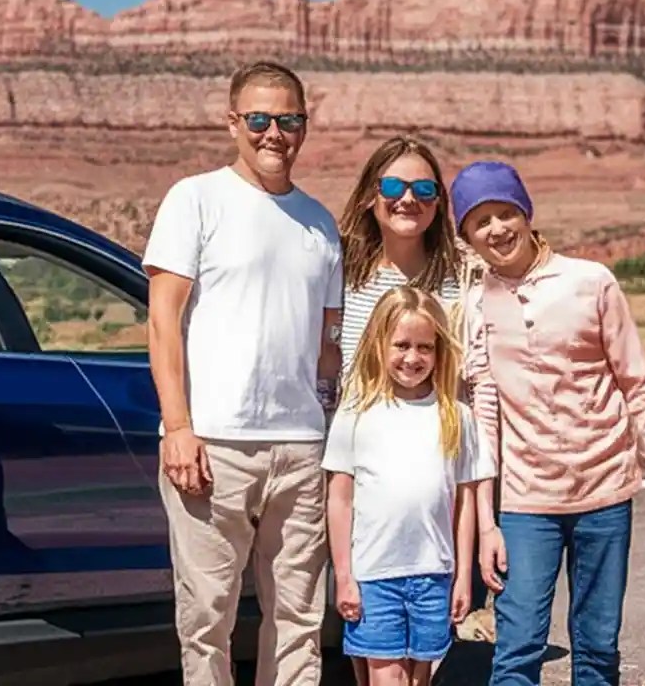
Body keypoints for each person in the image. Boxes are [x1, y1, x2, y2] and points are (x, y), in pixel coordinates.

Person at [449, 160, 645, 686]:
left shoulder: (591, 282)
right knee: (516, 651)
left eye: (505, 213)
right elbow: (486, 409)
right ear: (466, 235)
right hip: (525, 505)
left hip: (605, 494)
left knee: (596, 648)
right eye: (480, 221)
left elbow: (637, 382)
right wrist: (489, 521)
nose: (496, 229)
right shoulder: (477, 305)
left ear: (525, 212)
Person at [141, 60, 343, 686]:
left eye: (289, 120)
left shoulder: (320, 223)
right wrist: (178, 426)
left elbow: (328, 343)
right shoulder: (195, 199)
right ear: (233, 123)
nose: (274, 133)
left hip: (302, 447)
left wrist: (332, 425)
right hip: (213, 446)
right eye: (259, 119)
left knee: (299, 620)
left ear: (304, 126)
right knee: (207, 617)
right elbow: (162, 321)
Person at [323, 286, 495, 686]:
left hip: (433, 575)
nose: (413, 358)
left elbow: (464, 501)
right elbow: (340, 499)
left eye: (425, 347)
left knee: (421, 680)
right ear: (379, 345)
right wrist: (344, 576)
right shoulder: (357, 413)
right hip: (374, 576)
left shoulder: (456, 416)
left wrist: (461, 576)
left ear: (439, 352)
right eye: (401, 345)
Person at [336, 135, 462, 377]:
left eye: (424, 190)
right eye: (393, 186)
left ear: (438, 202)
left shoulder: (464, 281)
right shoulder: (339, 273)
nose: (408, 199)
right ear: (370, 196)